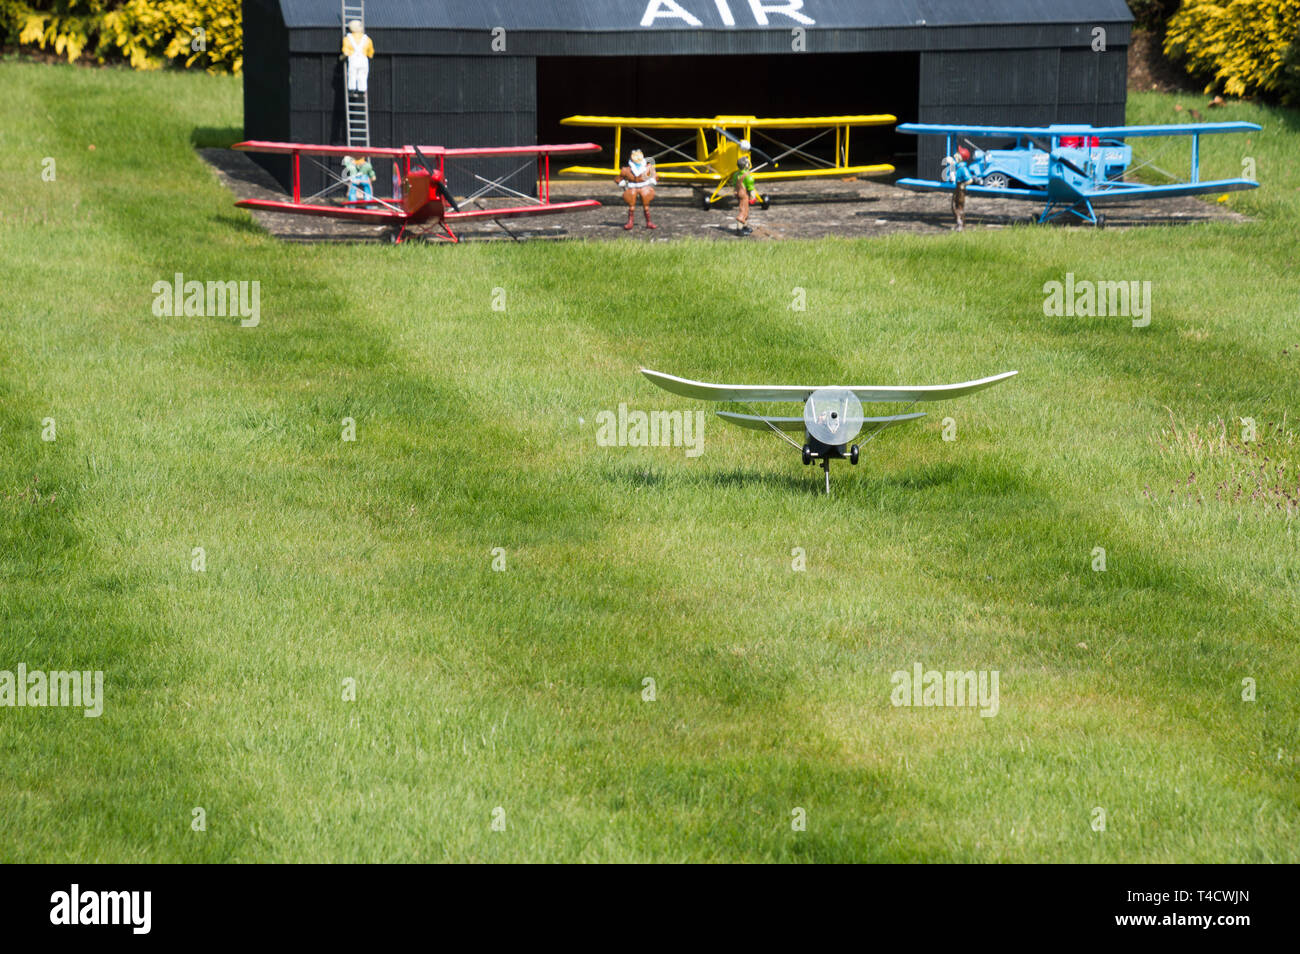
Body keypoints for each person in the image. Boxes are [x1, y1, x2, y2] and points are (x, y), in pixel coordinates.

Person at [617, 149, 657, 230]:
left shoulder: (647, 167)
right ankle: (630, 222)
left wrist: (653, 179)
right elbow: (618, 179)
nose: (637, 158)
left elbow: (655, 175)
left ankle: (649, 222)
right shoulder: (626, 169)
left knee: (646, 206)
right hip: (632, 187)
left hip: (644, 187)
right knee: (631, 207)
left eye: (639, 155)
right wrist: (622, 182)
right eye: (635, 156)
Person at [942, 145, 975, 231]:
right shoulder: (958, 166)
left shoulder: (963, 169)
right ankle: (958, 224)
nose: (955, 155)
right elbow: (953, 165)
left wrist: (963, 185)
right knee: (954, 206)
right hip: (957, 187)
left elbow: (970, 179)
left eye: (957, 154)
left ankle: (961, 225)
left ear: (960, 157)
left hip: (960, 189)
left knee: (959, 207)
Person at [342, 20, 373, 99]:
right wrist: (369, 55)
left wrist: (343, 56)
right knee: (362, 75)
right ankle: (362, 89)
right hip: (363, 60)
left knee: (352, 74)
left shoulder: (348, 39)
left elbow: (345, 51)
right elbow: (371, 52)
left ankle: (352, 88)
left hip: (353, 59)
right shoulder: (367, 39)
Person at [730, 155, 759, 235]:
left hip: (738, 193)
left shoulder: (736, 174)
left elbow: (735, 184)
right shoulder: (748, 177)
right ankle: (739, 229)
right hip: (744, 195)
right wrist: (753, 197)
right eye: (748, 162)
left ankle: (745, 226)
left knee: (746, 210)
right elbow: (751, 189)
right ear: (746, 165)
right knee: (743, 211)